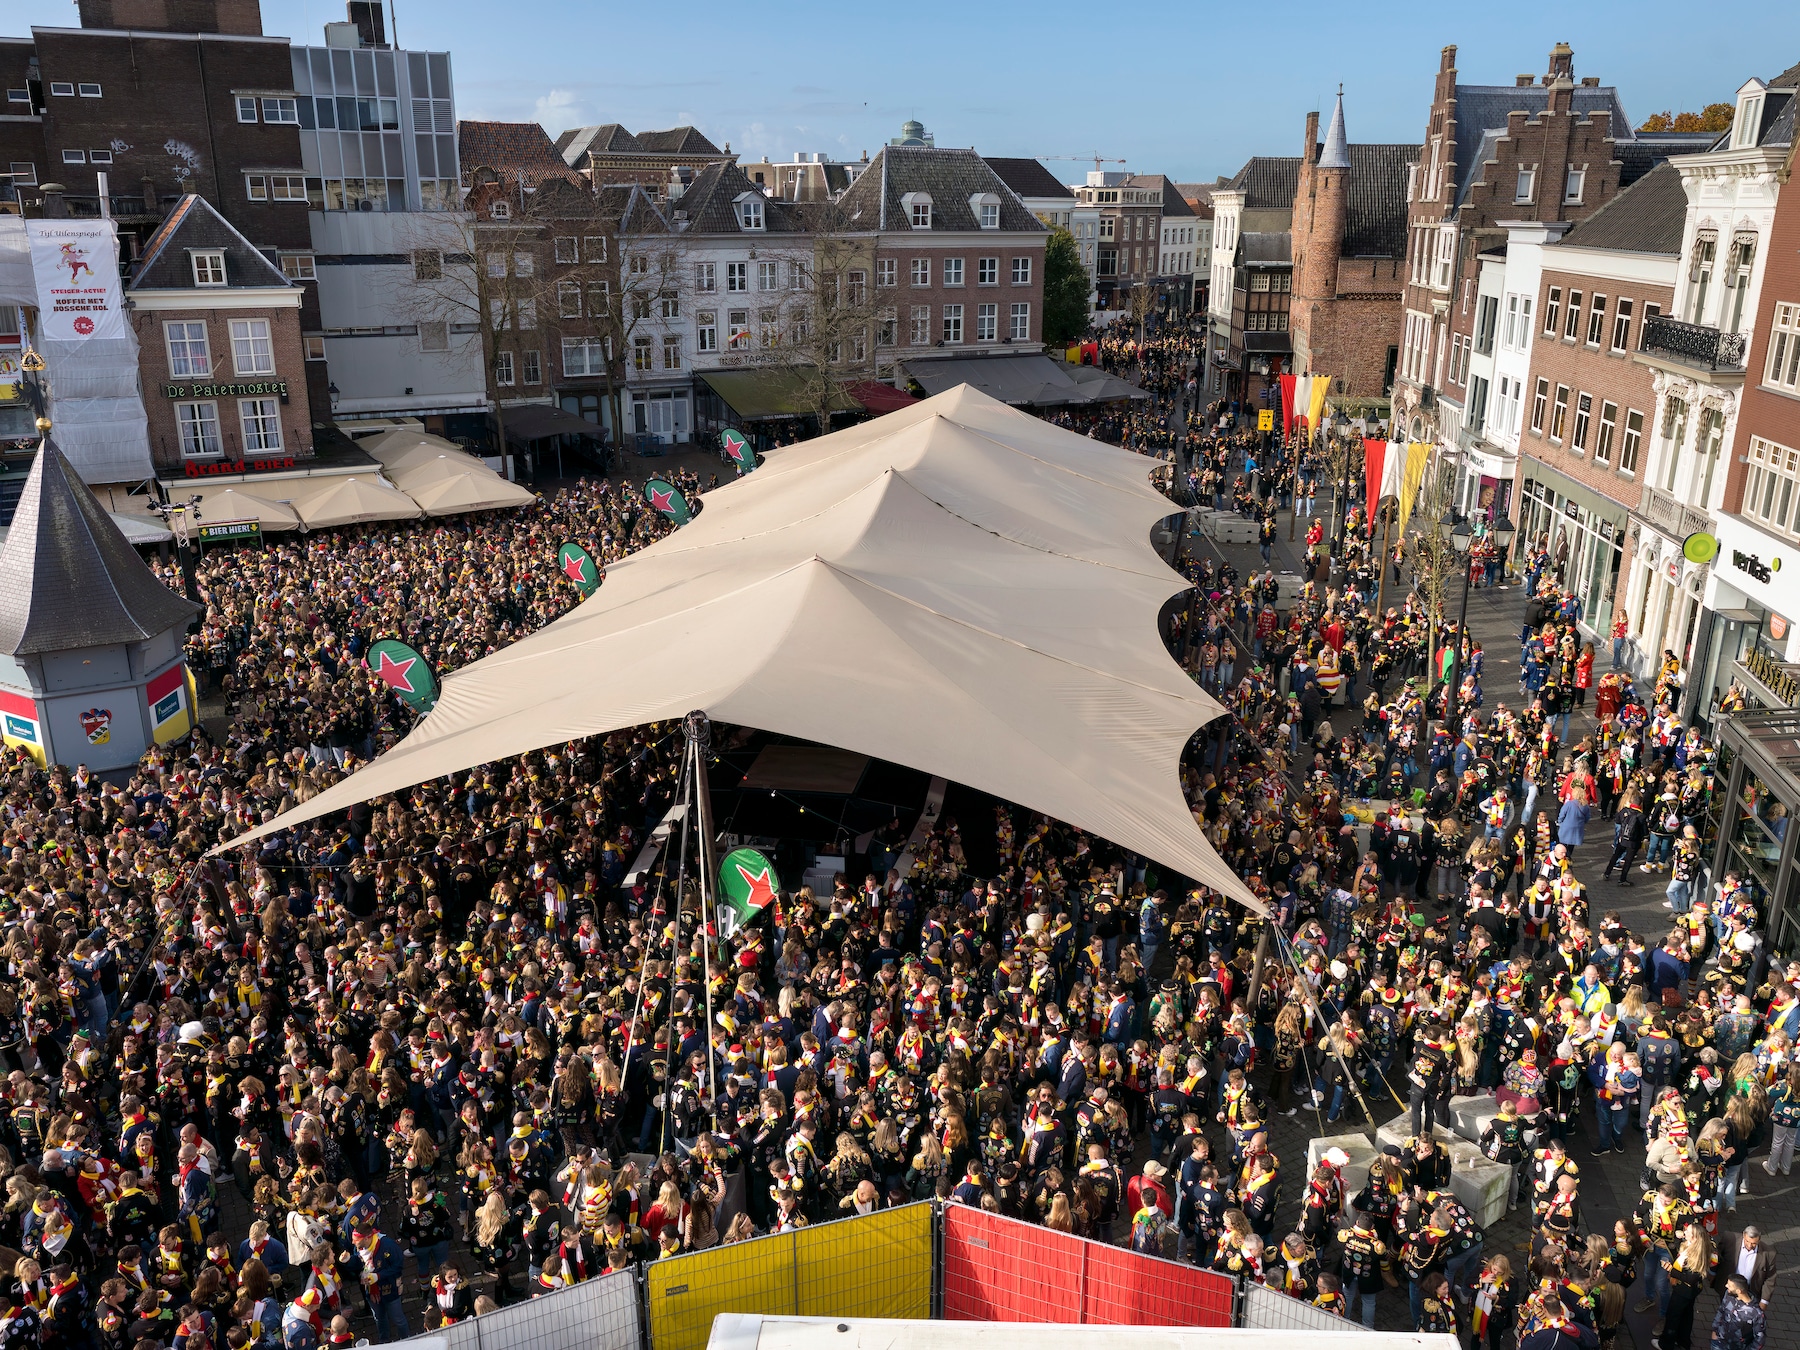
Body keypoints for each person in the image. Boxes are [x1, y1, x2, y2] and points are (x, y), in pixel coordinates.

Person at [1710, 1275, 1768, 1350]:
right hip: (1719, 1342)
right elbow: (1721, 1311)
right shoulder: (1728, 1294)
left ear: (1739, 1291)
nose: (1726, 1286)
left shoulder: (1756, 1313)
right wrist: (1715, 1331)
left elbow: (1760, 1338)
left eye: (1729, 1286)